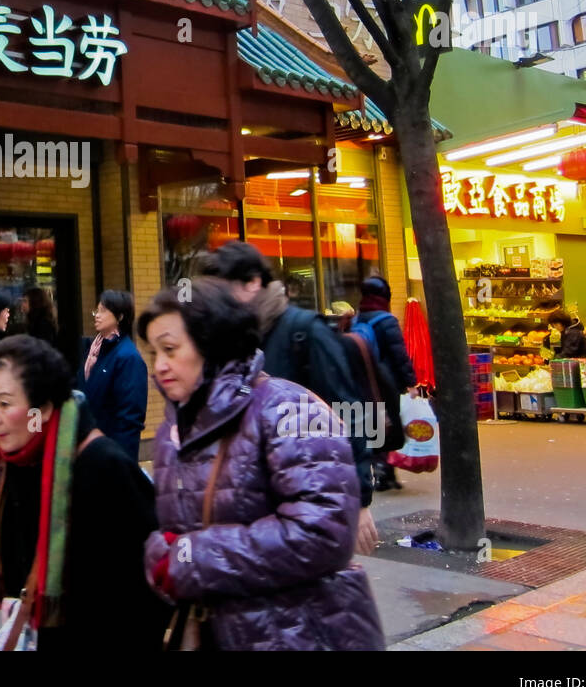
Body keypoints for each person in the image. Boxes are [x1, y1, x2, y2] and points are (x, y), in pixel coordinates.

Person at [138, 280, 384, 651]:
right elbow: (174, 533)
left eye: (170, 349)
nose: (160, 366)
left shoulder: (288, 409)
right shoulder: (173, 430)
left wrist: (192, 558)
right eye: (154, 352)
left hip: (294, 633)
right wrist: (160, 554)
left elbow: (322, 533)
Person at [0, 335, 169, 650]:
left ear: (43, 409)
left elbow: (148, 588)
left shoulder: (105, 466)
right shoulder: (16, 460)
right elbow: (8, 540)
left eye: (5, 403)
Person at [201, 242, 378, 551]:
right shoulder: (230, 340)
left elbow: (352, 413)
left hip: (308, 493)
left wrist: (361, 499)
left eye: (224, 290)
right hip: (253, 502)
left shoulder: (305, 332)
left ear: (253, 282)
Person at [355, 276, 418, 493]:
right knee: (389, 426)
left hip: (363, 381)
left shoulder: (357, 320)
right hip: (385, 382)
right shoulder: (386, 321)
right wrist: (411, 382)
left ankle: (384, 470)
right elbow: (399, 355)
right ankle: (384, 469)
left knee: (374, 426)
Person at [75, 290, 148, 461]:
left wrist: (120, 461)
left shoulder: (128, 357)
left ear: (120, 317)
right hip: (88, 449)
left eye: (103, 311)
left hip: (111, 454)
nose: (97, 316)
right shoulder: (93, 350)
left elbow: (130, 418)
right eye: (96, 310)